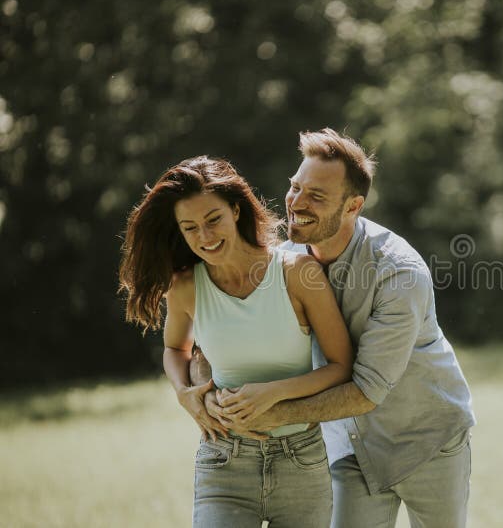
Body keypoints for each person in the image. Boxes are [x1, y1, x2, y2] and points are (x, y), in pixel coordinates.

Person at [197, 129, 476, 528]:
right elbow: (216, 337)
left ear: (353, 206)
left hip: (429, 442)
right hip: (351, 450)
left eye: (316, 196)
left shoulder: (399, 272)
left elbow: (366, 390)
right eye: (296, 187)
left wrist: (274, 415)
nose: (297, 202)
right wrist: (202, 395)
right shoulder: (282, 263)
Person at [118, 155, 354, 528]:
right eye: (190, 228)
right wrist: (184, 393)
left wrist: (273, 392)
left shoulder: (297, 273)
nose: (205, 237)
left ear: (236, 210)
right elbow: (175, 349)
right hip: (224, 458)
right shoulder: (186, 287)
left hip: (301, 461)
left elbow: (341, 367)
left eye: (213, 220)